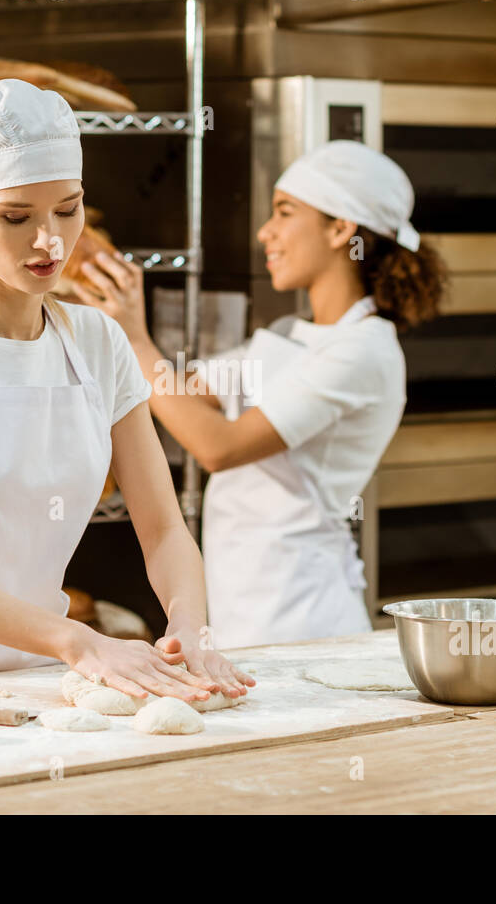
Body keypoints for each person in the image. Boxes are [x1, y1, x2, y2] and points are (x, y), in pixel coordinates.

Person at [0, 79, 253, 705]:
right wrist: (77, 640)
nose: (50, 241)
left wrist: (189, 627)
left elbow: (165, 529)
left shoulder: (98, 342)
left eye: (68, 209)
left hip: (34, 682)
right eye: (17, 217)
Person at [78, 140, 446, 649]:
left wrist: (133, 336)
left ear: (341, 229)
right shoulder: (290, 333)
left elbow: (218, 446)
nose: (264, 232)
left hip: (303, 617)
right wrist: (101, 305)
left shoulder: (364, 352)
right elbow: (184, 396)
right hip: (244, 603)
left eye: (285, 212)